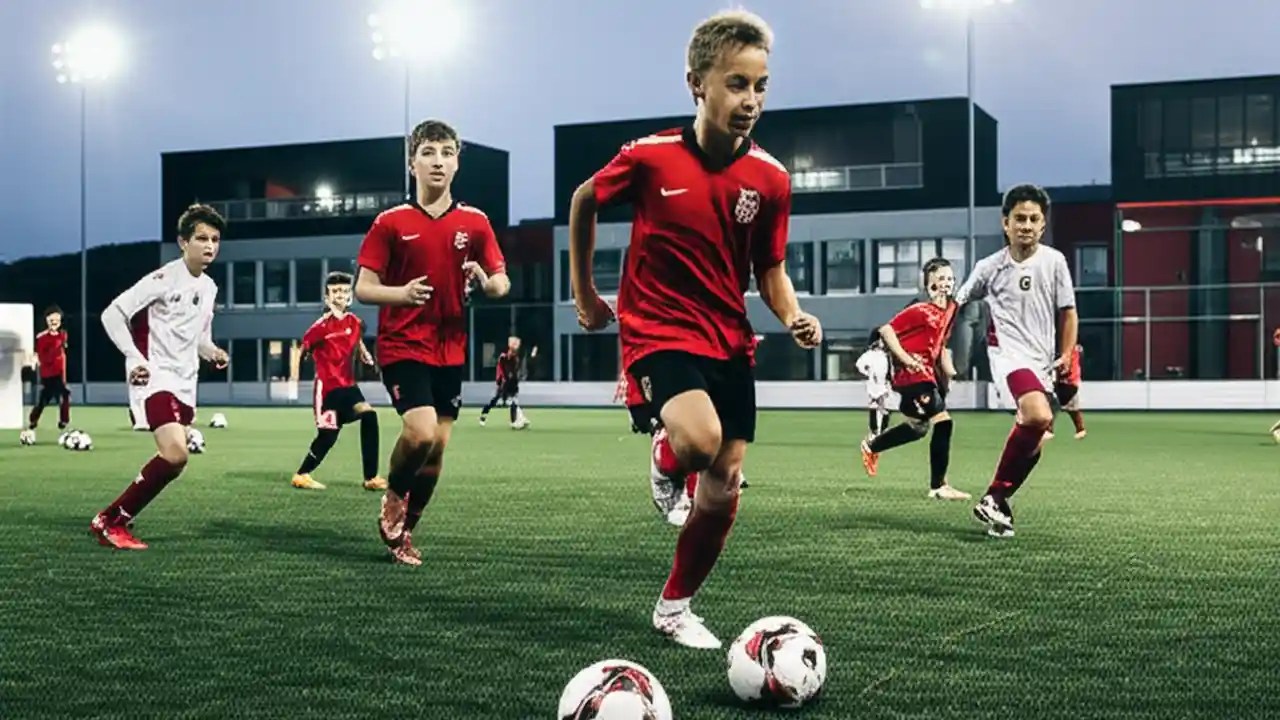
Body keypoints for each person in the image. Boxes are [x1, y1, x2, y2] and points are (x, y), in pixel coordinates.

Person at [568, 9, 821, 649]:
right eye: (737, 84)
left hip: (727, 336)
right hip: (656, 327)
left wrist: (792, 315)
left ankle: (675, 607)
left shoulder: (771, 178)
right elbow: (583, 199)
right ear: (696, 84)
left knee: (725, 481)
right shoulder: (649, 158)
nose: (751, 100)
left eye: (761, 86)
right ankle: (666, 454)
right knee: (700, 440)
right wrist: (587, 294)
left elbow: (770, 269)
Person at [355, 119, 509, 566]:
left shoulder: (475, 222)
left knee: (437, 450)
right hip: (403, 343)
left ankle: (405, 531)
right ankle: (394, 494)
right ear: (413, 163)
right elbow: (364, 287)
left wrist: (487, 282)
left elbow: (501, 281)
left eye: (446, 152)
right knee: (420, 432)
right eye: (428, 152)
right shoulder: (390, 222)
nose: (438, 161)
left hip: (450, 347)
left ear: (457, 163)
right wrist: (401, 295)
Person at [89, 204, 228, 550]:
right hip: (154, 377)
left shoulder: (209, 287)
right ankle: (111, 521)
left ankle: (115, 514)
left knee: (175, 463)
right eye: (202, 238)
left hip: (185, 383)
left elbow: (200, 339)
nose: (210, 246)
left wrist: (214, 352)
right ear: (183, 242)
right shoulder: (163, 279)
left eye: (215, 240)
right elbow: (112, 314)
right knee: (176, 454)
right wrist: (134, 357)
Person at [954, 184, 1078, 538]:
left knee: (1035, 439)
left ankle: (998, 501)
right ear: (1005, 223)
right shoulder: (989, 267)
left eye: (1033, 219)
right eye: (1019, 218)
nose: (1026, 225)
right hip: (1008, 357)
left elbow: (1068, 312)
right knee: (1037, 416)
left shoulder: (1054, 262)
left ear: (1043, 224)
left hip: (1043, 362)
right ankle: (995, 497)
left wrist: (1066, 354)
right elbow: (957, 303)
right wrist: (940, 348)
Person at [858, 258, 969, 500]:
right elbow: (886, 330)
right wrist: (906, 359)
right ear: (929, 284)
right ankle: (939, 486)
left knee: (918, 428)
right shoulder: (920, 310)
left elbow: (940, 346)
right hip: (911, 376)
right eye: (941, 278)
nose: (947, 283)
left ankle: (872, 446)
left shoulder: (949, 311)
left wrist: (949, 373)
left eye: (950, 278)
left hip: (927, 375)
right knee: (944, 422)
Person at [289, 271, 386, 491]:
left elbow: (356, 339)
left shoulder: (355, 322)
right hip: (328, 389)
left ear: (350, 296)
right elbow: (302, 349)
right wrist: (294, 377)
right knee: (328, 436)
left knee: (369, 415)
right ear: (327, 298)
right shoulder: (319, 328)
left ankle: (371, 477)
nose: (340, 294)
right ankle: (301, 474)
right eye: (335, 291)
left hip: (348, 386)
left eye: (343, 291)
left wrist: (364, 354)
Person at [27, 305, 71, 436]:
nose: (54, 322)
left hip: (60, 373)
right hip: (48, 373)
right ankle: (62, 421)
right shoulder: (42, 338)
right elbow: (41, 355)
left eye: (57, 320)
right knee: (56, 396)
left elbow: (62, 351)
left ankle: (35, 420)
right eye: (52, 320)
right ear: (47, 320)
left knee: (52, 397)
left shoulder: (63, 335)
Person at [478, 336, 535, 429]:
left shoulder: (515, 358)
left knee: (513, 401)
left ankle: (517, 420)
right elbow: (501, 370)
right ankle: (484, 415)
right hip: (504, 383)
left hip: (512, 383)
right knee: (496, 401)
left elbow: (515, 371)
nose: (514, 352)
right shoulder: (503, 357)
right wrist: (501, 380)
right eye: (513, 350)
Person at [854, 328, 892, 443]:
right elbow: (860, 365)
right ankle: (875, 432)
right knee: (876, 405)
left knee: (885, 408)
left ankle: (882, 431)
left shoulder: (885, 355)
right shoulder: (869, 355)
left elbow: (889, 370)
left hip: (885, 384)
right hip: (875, 384)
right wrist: (868, 372)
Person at [1046, 343, 1086, 439]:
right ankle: (1048, 429)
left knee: (1072, 408)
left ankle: (1080, 429)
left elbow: (1064, 363)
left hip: (1070, 382)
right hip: (1061, 382)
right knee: (1052, 407)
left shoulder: (1071, 351)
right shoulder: (1069, 349)